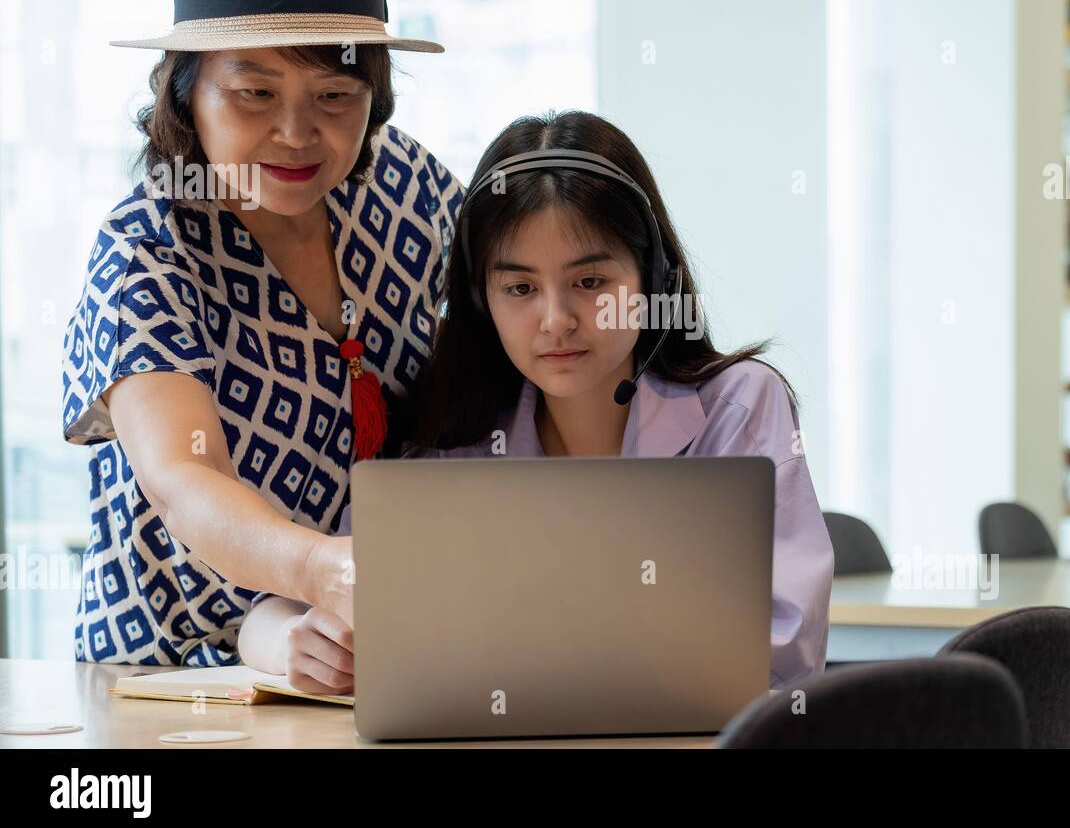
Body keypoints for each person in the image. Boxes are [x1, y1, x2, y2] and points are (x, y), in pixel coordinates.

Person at [238, 109, 835, 694]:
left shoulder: (737, 408)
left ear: (650, 279)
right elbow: (277, 613)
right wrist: (292, 641)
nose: (556, 321)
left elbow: (785, 651)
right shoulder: (447, 444)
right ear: (483, 300)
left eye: (591, 283)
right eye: (520, 288)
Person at [59, 0, 462, 665]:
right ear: (185, 94)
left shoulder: (411, 188)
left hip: (365, 654)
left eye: (336, 95)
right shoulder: (148, 246)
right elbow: (184, 478)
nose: (298, 133)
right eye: (254, 93)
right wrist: (320, 569)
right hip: (169, 677)